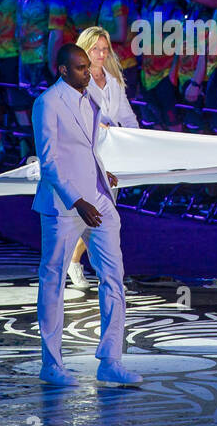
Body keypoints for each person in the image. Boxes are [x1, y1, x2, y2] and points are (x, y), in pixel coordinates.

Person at [32, 43, 140, 386]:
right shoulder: (47, 102)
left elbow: (87, 148)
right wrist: (77, 200)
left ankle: (110, 359)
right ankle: (51, 365)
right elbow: (48, 161)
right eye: (80, 67)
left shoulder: (89, 97)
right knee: (52, 279)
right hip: (64, 204)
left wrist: (101, 171)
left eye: (87, 66)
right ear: (63, 70)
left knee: (113, 276)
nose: (88, 71)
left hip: (99, 197)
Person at [65, 26, 141, 291]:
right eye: (94, 49)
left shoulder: (113, 80)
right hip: (85, 153)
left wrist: (140, 142)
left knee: (105, 215)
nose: (100, 54)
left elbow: (127, 115)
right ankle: (78, 263)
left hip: (111, 155)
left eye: (104, 49)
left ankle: (90, 265)